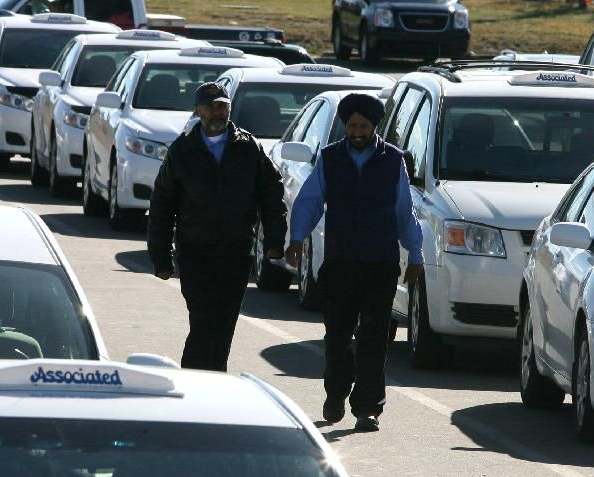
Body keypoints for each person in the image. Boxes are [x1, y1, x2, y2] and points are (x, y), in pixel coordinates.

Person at [287, 92, 423, 433]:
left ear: (374, 127)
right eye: (351, 125)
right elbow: (310, 201)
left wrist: (416, 254)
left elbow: (404, 211)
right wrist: (297, 239)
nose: (357, 131)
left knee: (375, 337)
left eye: (363, 125)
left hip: (380, 263)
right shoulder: (330, 158)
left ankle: (368, 408)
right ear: (345, 126)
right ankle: (336, 392)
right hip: (340, 262)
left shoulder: (393, 160)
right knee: (337, 336)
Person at [147, 81, 287, 372]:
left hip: (236, 253)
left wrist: (275, 241)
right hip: (195, 253)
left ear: (230, 108)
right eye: (209, 106)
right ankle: (193, 382)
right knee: (202, 320)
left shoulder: (249, 148)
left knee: (224, 324)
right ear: (198, 111)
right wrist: (160, 257)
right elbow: (162, 204)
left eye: (221, 105)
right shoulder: (183, 151)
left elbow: (272, 194)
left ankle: (216, 382)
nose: (216, 112)